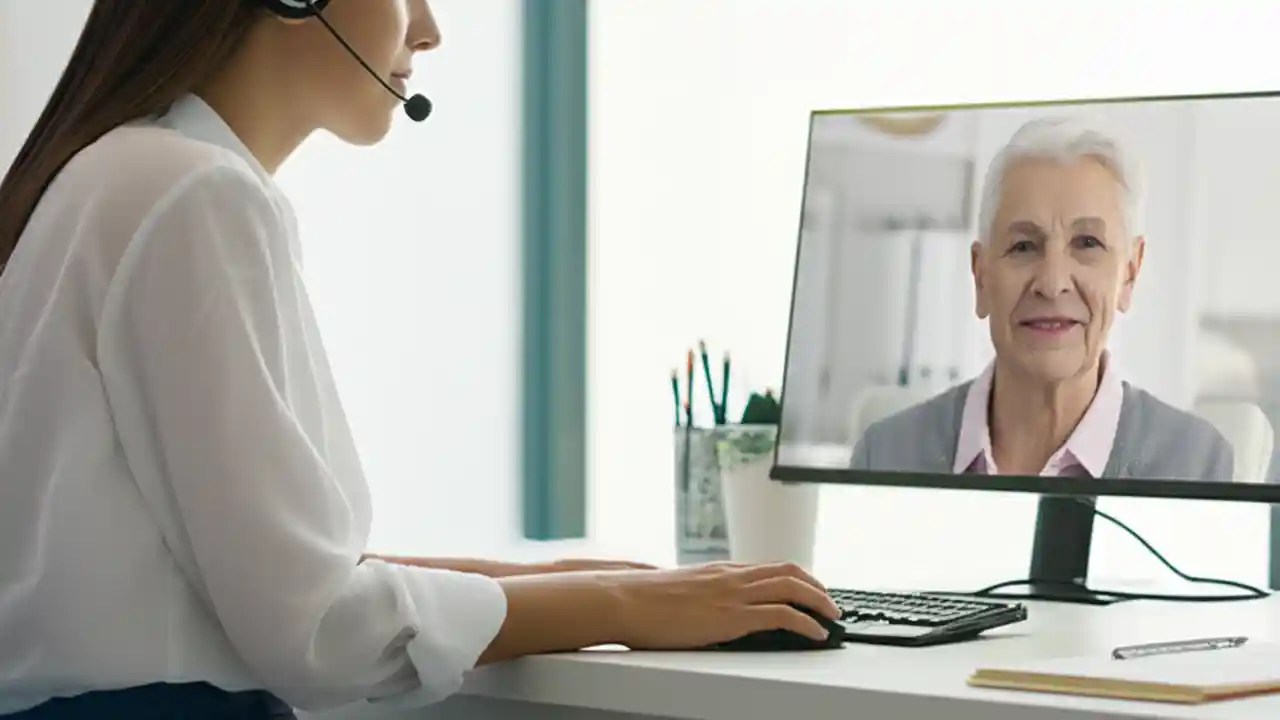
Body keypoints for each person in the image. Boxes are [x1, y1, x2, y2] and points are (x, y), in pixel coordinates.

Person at [0, 1, 841, 717]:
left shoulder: (121, 173)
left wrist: (554, 580)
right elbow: (317, 629)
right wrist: (618, 604)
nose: (430, 29)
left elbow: (268, 574)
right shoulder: (194, 194)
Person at [850, 116, 1233, 481]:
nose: (1052, 284)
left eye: (1087, 243)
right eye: (1023, 246)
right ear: (981, 277)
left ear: (1129, 273)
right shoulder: (884, 455)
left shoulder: (1198, 463)